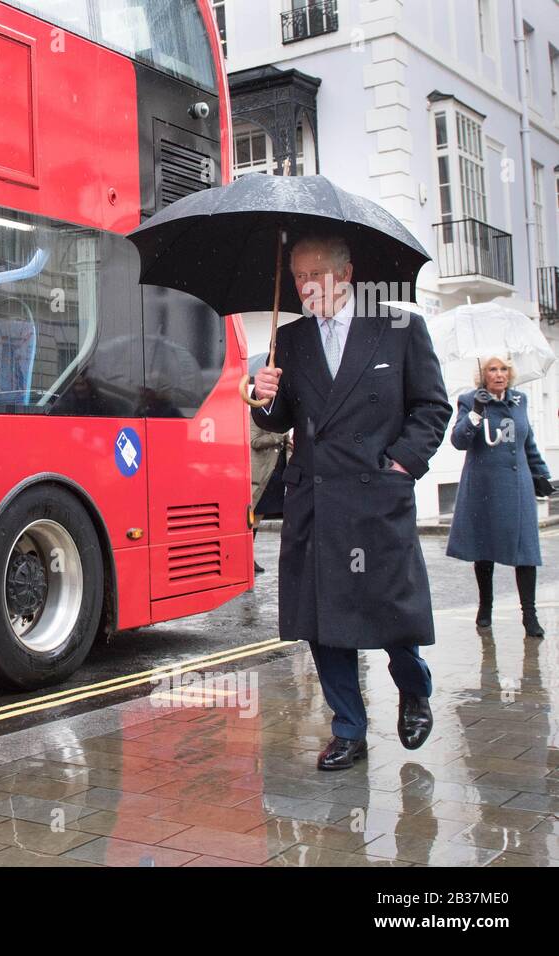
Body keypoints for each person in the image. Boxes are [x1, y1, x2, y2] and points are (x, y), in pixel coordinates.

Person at [252, 234, 451, 771]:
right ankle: (348, 728)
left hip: (376, 498)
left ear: (346, 275)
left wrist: (401, 466)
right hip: (316, 500)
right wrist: (263, 396)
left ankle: (413, 687)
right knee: (322, 618)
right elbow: (279, 420)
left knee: (391, 610)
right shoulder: (289, 341)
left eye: (314, 274)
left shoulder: (400, 328)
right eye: (297, 276)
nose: (304, 286)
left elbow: (432, 406)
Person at [447, 356, 552, 638]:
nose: (499, 374)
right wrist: (476, 413)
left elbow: (527, 440)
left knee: (526, 551)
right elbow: (459, 441)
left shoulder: (520, 400)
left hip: (517, 485)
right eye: (492, 369)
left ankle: (529, 616)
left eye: (503, 369)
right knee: (484, 548)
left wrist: (541, 473)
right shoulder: (471, 400)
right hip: (484, 486)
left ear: (510, 373)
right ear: (483, 374)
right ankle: (485, 607)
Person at [249, 416, 287, 574]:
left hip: (275, 474)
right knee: (250, 515)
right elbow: (254, 441)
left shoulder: (280, 417)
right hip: (261, 474)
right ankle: (245, 557)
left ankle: (249, 557)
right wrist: (279, 436)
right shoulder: (255, 415)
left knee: (258, 515)